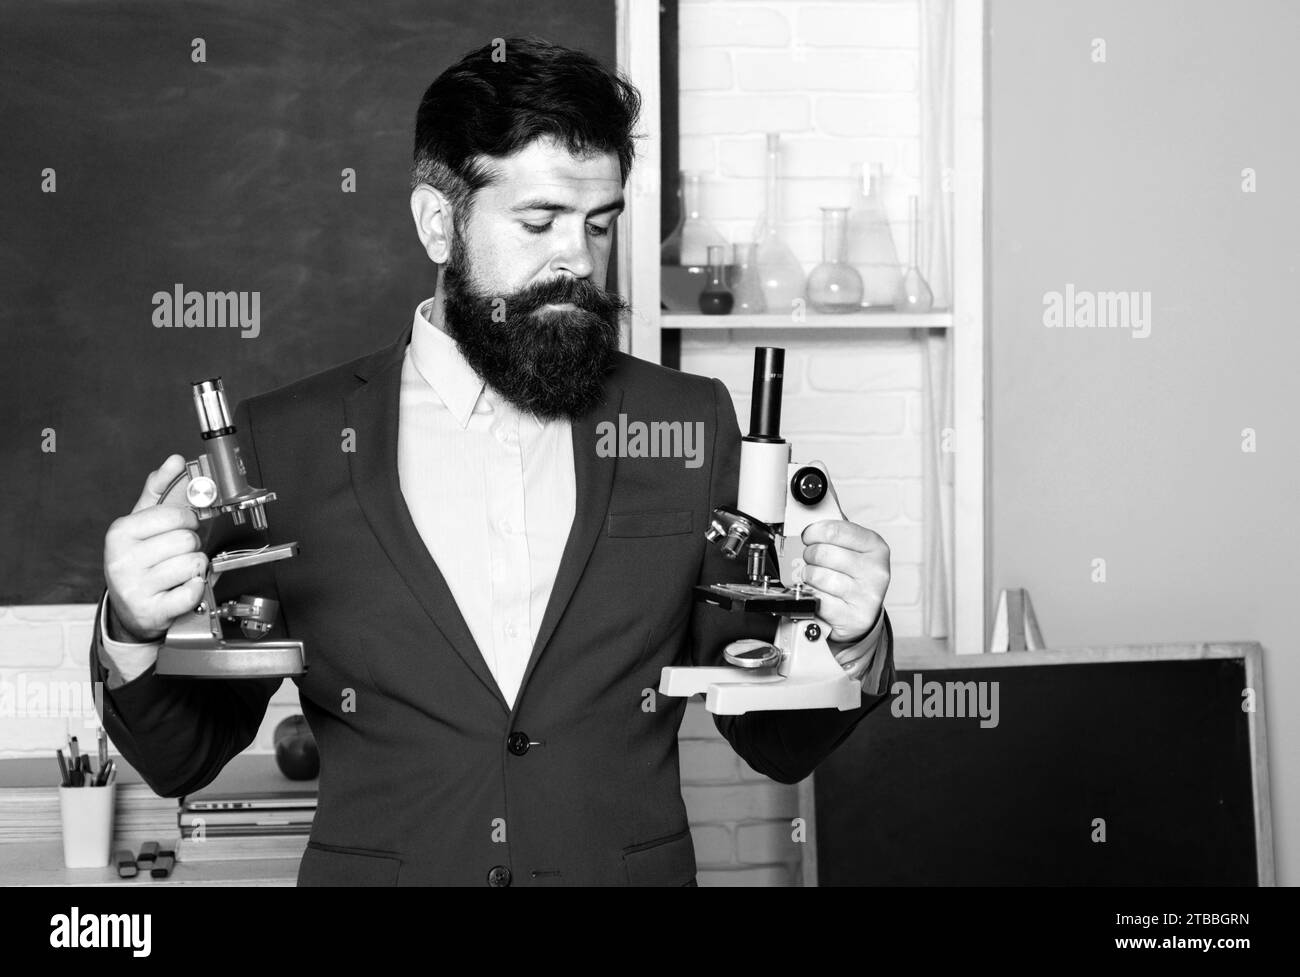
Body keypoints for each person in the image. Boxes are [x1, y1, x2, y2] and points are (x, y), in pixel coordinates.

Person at [93, 36, 895, 886]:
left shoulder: (687, 424)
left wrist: (850, 638)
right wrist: (134, 626)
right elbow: (183, 755)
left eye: (598, 223)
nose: (578, 261)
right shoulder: (283, 443)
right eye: (539, 222)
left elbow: (774, 737)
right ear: (439, 223)